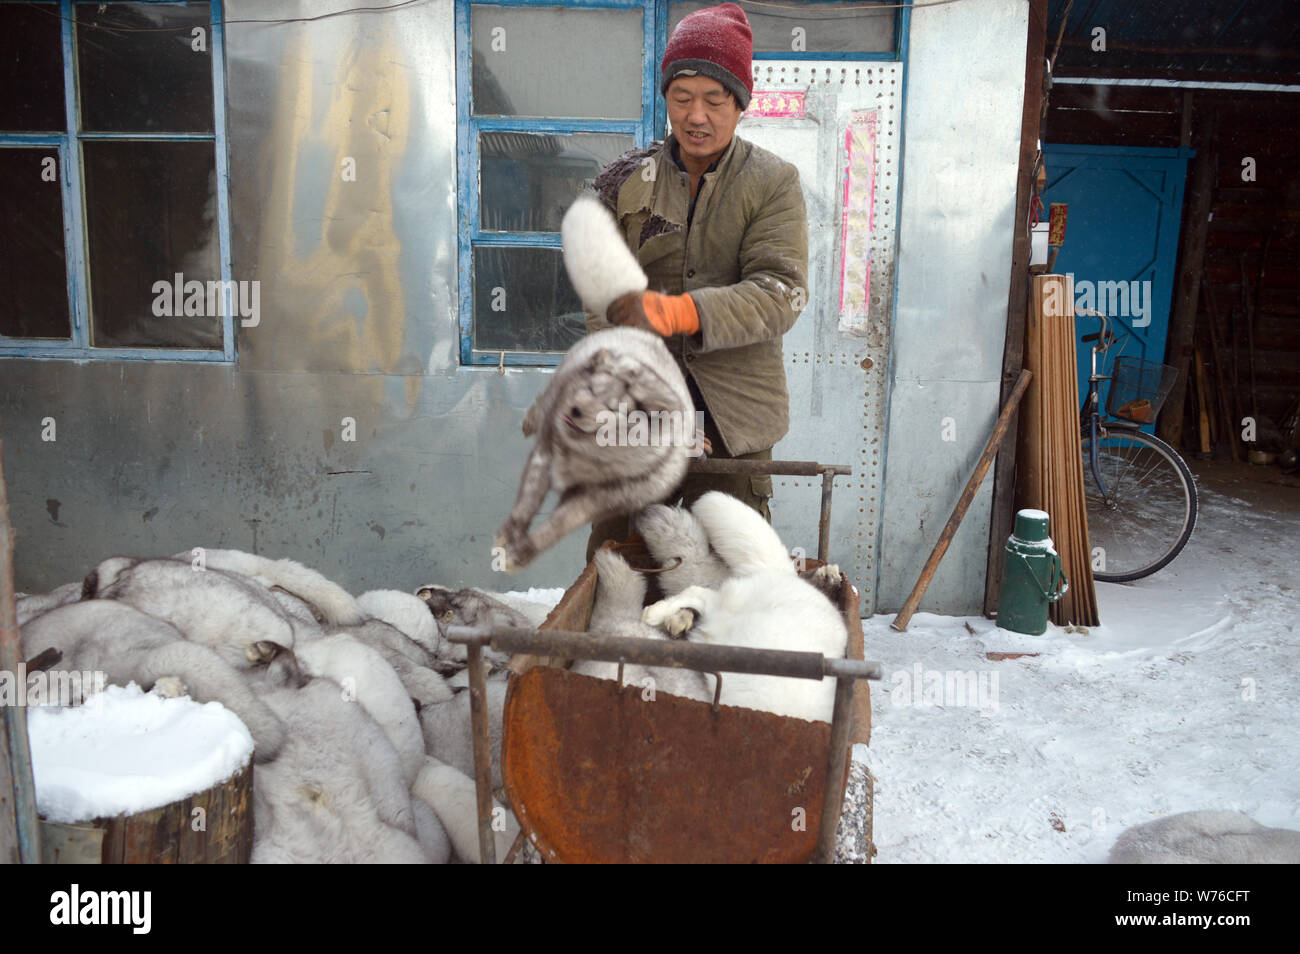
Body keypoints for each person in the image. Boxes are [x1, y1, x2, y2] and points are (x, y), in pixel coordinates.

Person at [583, 1, 809, 562]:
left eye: (715, 98)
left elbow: (780, 292)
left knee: (731, 568)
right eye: (682, 97)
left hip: (736, 414)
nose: (697, 115)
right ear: (665, 100)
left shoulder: (773, 183)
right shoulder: (625, 182)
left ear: (740, 105)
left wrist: (685, 313)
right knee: (614, 562)